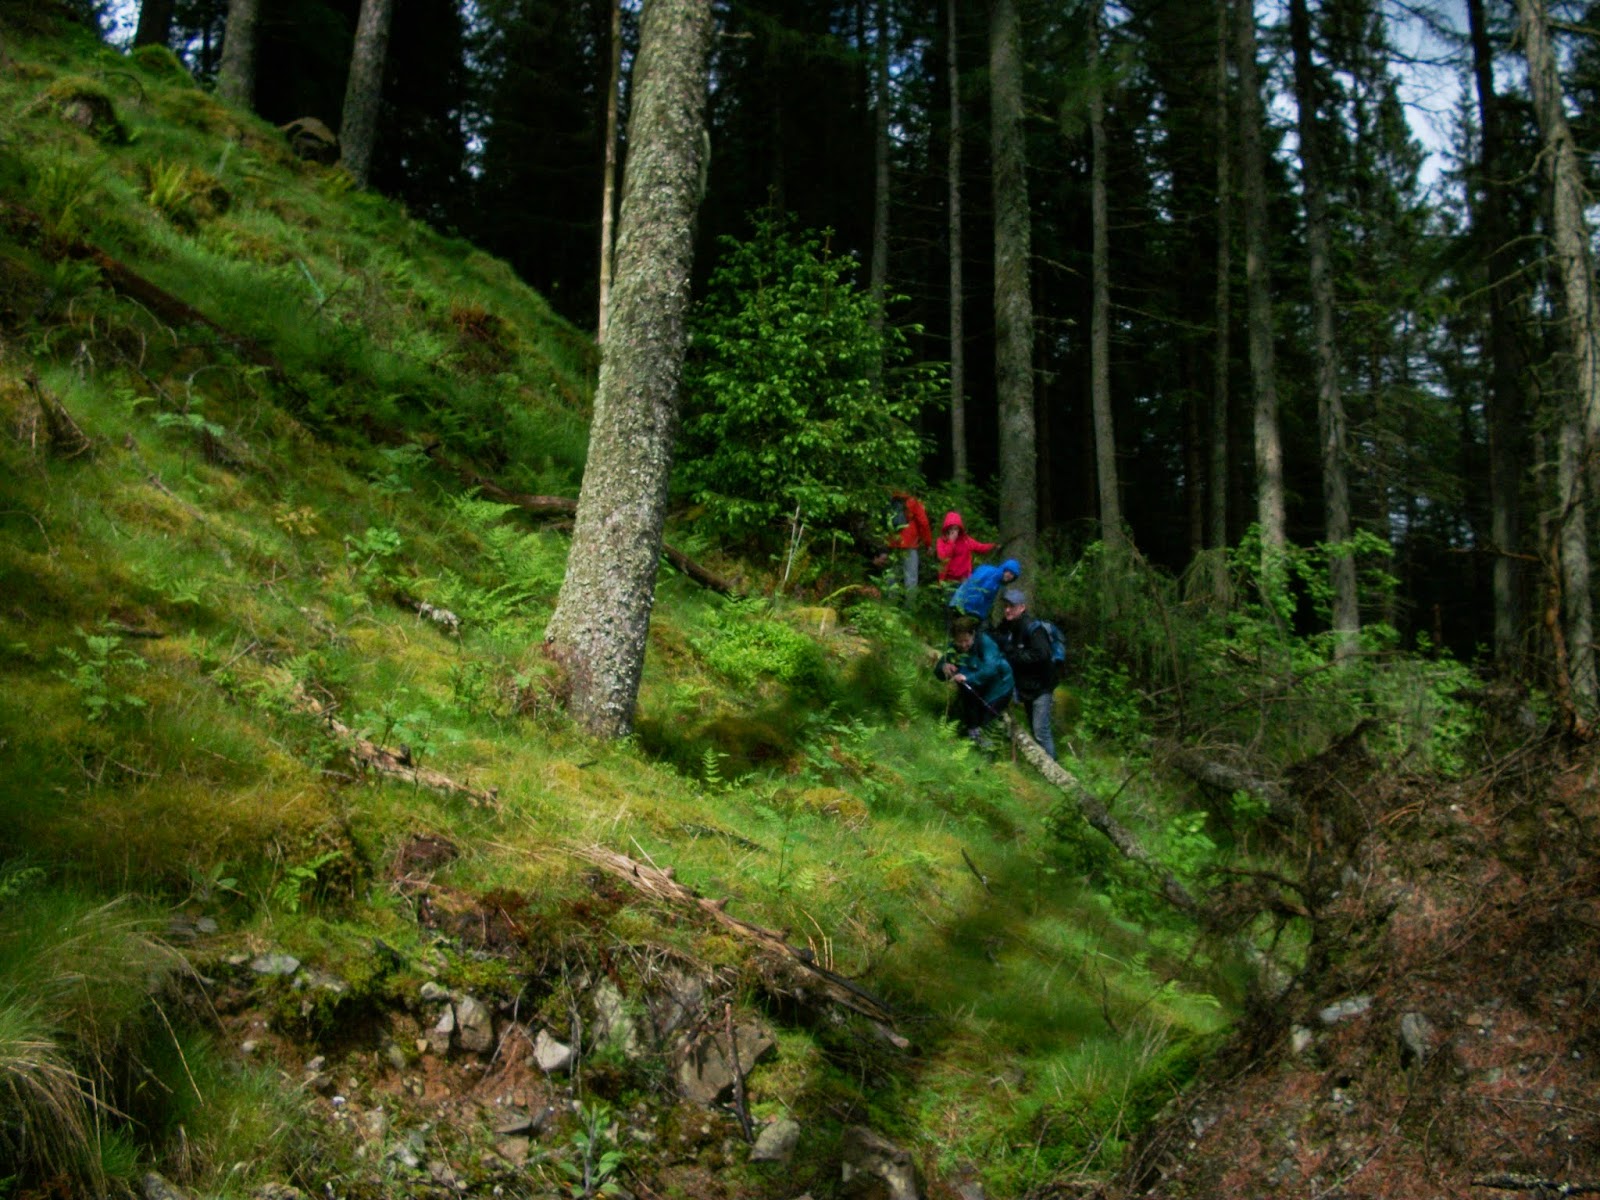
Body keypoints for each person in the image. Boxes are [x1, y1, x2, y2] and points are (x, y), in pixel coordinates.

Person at [992, 587, 1056, 760]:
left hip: (1042, 686)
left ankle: (1054, 768)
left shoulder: (1033, 629)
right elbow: (996, 638)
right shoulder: (1007, 625)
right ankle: (1045, 766)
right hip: (1026, 686)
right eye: (1005, 606)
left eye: (1011, 606)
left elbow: (1041, 655)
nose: (1007, 610)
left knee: (1040, 731)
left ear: (1022, 607)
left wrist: (1013, 653)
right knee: (1035, 729)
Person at [934, 615, 1015, 744]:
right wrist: (944, 668)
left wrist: (968, 677)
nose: (963, 645)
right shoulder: (954, 648)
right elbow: (939, 669)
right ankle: (971, 738)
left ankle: (987, 750)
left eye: (966, 640)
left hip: (1000, 687)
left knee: (986, 723)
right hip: (974, 687)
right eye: (959, 641)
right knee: (971, 714)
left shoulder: (985, 643)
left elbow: (991, 668)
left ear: (973, 634)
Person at [887, 491, 933, 595]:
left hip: (893, 542)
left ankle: (889, 605)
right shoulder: (913, 502)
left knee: (892, 577)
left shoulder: (891, 499)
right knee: (911, 579)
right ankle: (910, 608)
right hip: (909, 544)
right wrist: (928, 544)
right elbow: (924, 523)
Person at [949, 558, 1022, 623]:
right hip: (965, 606)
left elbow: (986, 600)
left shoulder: (996, 580)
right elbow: (975, 591)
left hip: (963, 604)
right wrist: (972, 612)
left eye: (1012, 574)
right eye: (1009, 572)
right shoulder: (992, 576)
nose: (1009, 576)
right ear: (1004, 569)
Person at [935, 511, 995, 584]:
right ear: (947, 529)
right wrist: (951, 542)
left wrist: (994, 546)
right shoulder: (941, 541)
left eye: (956, 529)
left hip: (964, 578)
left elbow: (981, 547)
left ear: (959, 529)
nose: (953, 532)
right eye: (951, 529)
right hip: (948, 579)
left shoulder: (966, 540)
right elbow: (943, 557)